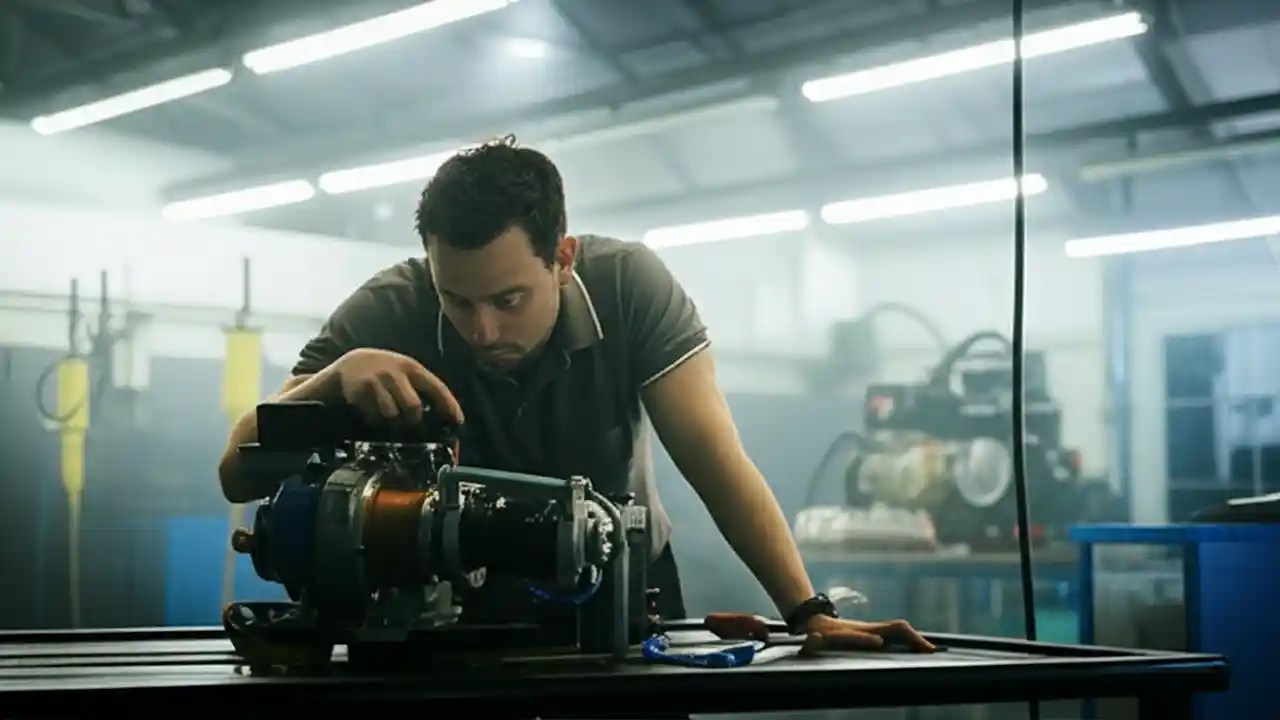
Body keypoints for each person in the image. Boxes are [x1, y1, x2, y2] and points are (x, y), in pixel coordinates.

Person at [218, 135, 934, 653]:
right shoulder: (390, 309)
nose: (482, 328)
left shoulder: (629, 286)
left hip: (617, 588)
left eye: (508, 297)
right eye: (457, 302)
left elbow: (714, 460)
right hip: (442, 610)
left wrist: (806, 611)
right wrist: (331, 379)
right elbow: (237, 473)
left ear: (563, 257)